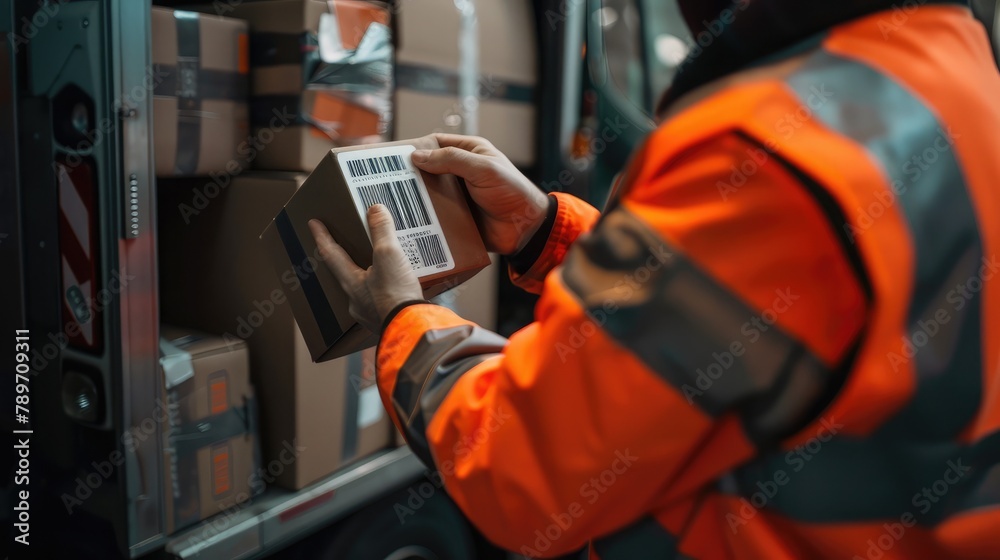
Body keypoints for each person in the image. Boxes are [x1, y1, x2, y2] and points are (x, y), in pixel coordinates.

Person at [308, 0, 1000, 557]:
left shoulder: (768, 148)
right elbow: (739, 324)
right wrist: (545, 229)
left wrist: (402, 321)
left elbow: (524, 472)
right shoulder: (948, 67)